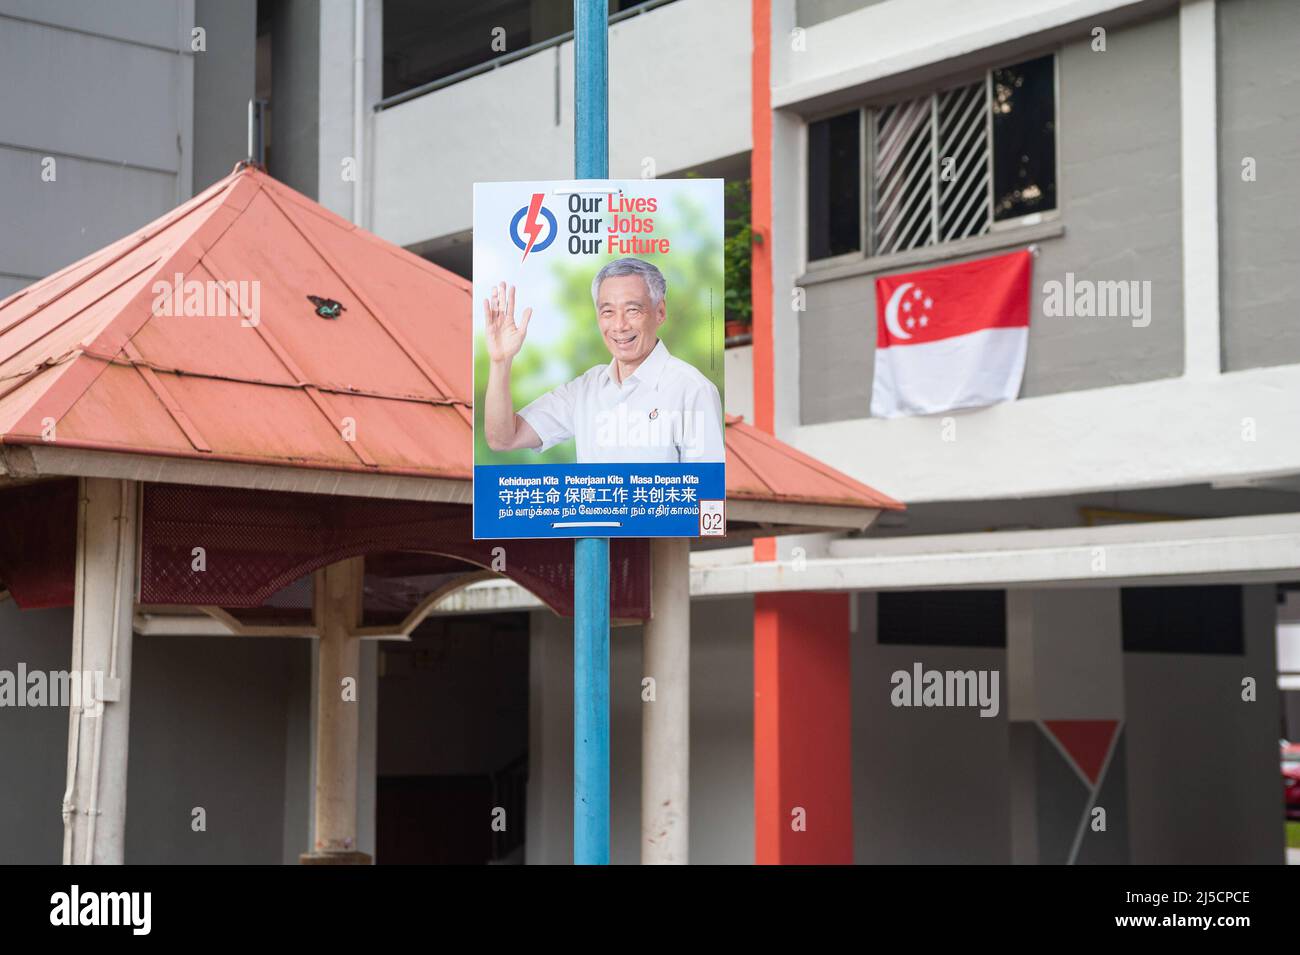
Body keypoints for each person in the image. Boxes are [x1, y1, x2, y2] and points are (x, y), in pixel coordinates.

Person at [482, 257, 725, 464]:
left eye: (633, 310)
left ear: (660, 312)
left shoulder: (692, 389)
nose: (619, 325)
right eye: (607, 311)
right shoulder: (585, 389)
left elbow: (708, 493)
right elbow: (503, 438)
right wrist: (500, 361)